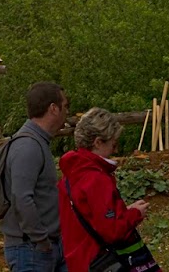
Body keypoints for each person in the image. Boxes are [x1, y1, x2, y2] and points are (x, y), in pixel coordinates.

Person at [58, 107, 154, 272]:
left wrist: (122, 212)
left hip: (78, 262)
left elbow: (92, 219)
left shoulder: (69, 177)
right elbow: (112, 232)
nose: (115, 150)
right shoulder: (96, 179)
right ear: (97, 142)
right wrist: (135, 215)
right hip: (101, 262)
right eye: (113, 144)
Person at [2, 81, 70, 272]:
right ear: (53, 109)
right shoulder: (28, 147)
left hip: (42, 247)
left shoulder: (38, 142)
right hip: (30, 251)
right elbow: (21, 198)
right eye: (65, 106)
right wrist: (41, 240)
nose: (67, 112)